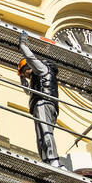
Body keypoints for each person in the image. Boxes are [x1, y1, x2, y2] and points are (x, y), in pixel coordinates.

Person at [18, 36, 61, 166]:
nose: (24, 75)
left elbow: (30, 58)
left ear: (28, 67)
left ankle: (53, 160)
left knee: (45, 131)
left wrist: (23, 46)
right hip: (46, 104)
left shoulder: (42, 69)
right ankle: (47, 160)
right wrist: (23, 80)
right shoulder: (37, 79)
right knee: (42, 134)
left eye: (23, 71)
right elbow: (28, 91)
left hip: (43, 102)